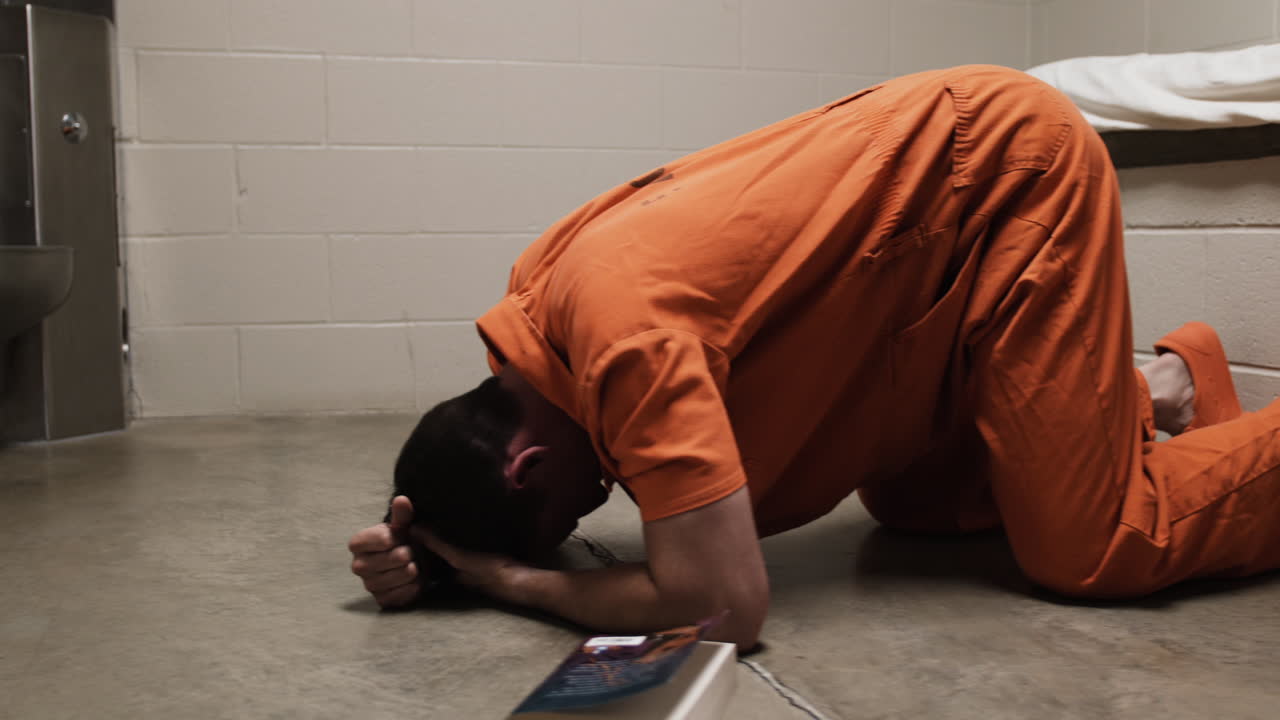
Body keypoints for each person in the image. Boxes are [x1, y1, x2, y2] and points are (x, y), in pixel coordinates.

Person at [347, 65, 1280, 651]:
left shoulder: (619, 341)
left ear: (528, 466)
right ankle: (1166, 386)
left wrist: (516, 580)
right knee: (920, 505)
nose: (598, 508)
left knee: (1094, 547)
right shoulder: (539, 313)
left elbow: (722, 605)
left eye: (569, 513)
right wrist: (429, 545)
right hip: (926, 276)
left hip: (1007, 179)